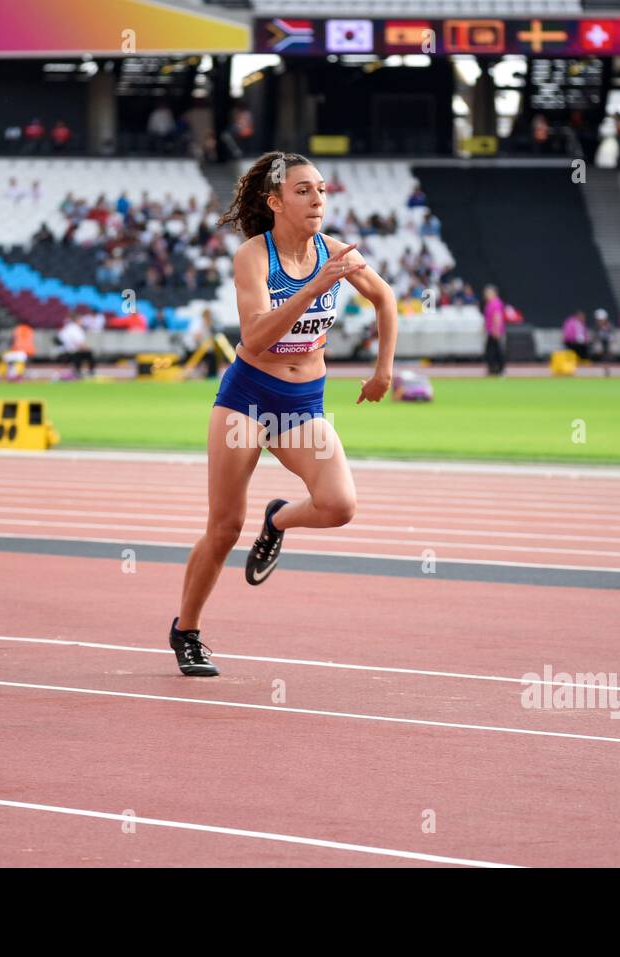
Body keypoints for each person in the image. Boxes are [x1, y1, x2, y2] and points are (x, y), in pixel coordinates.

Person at [168, 151, 397, 677]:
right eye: (303, 190)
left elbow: (385, 299)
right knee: (224, 527)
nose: (318, 199)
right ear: (275, 201)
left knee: (339, 505)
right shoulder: (253, 256)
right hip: (247, 398)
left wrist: (383, 371)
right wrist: (315, 288)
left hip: (302, 403)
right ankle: (187, 631)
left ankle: (278, 519)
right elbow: (254, 335)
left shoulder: (337, 252)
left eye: (321, 189)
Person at [481, 284, 506, 375]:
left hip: (495, 331)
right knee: (490, 351)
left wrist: (496, 330)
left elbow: (497, 317)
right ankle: (492, 369)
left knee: (498, 351)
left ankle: (501, 370)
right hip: (490, 331)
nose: (486, 295)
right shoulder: (489, 303)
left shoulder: (496, 303)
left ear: (494, 293)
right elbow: (488, 317)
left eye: (488, 293)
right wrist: (485, 327)